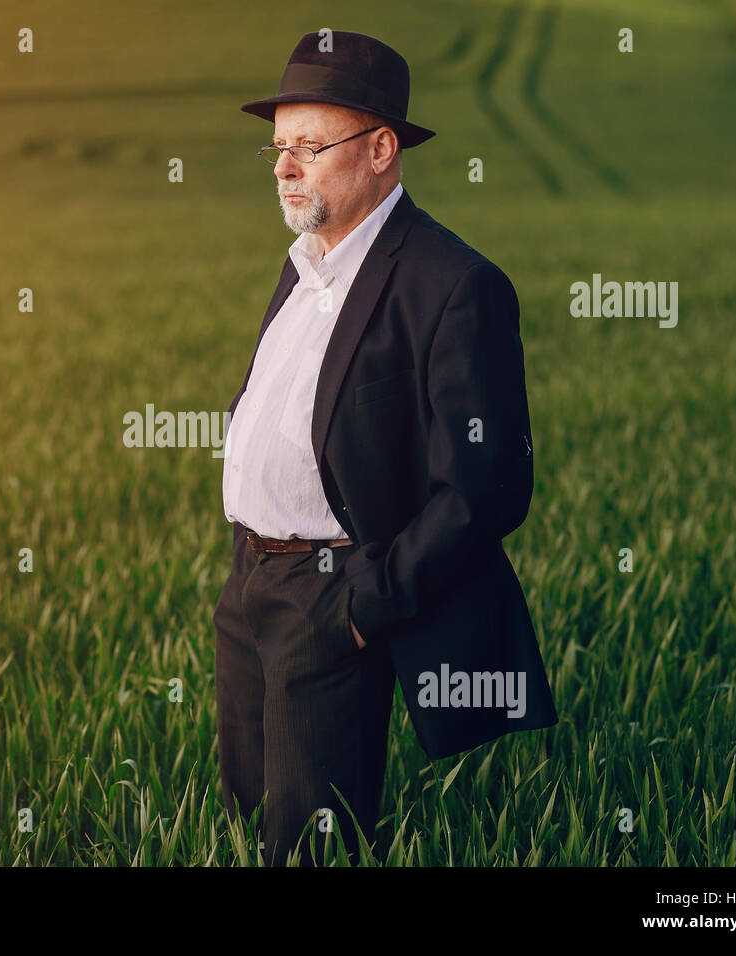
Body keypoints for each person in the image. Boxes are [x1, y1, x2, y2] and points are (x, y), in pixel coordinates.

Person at [215, 30, 559, 866]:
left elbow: (487, 488)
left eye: (309, 145)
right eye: (278, 146)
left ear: (380, 149)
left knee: (310, 844)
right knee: (246, 817)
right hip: (247, 586)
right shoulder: (304, 264)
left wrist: (365, 603)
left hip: (333, 598)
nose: (284, 166)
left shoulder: (454, 285)